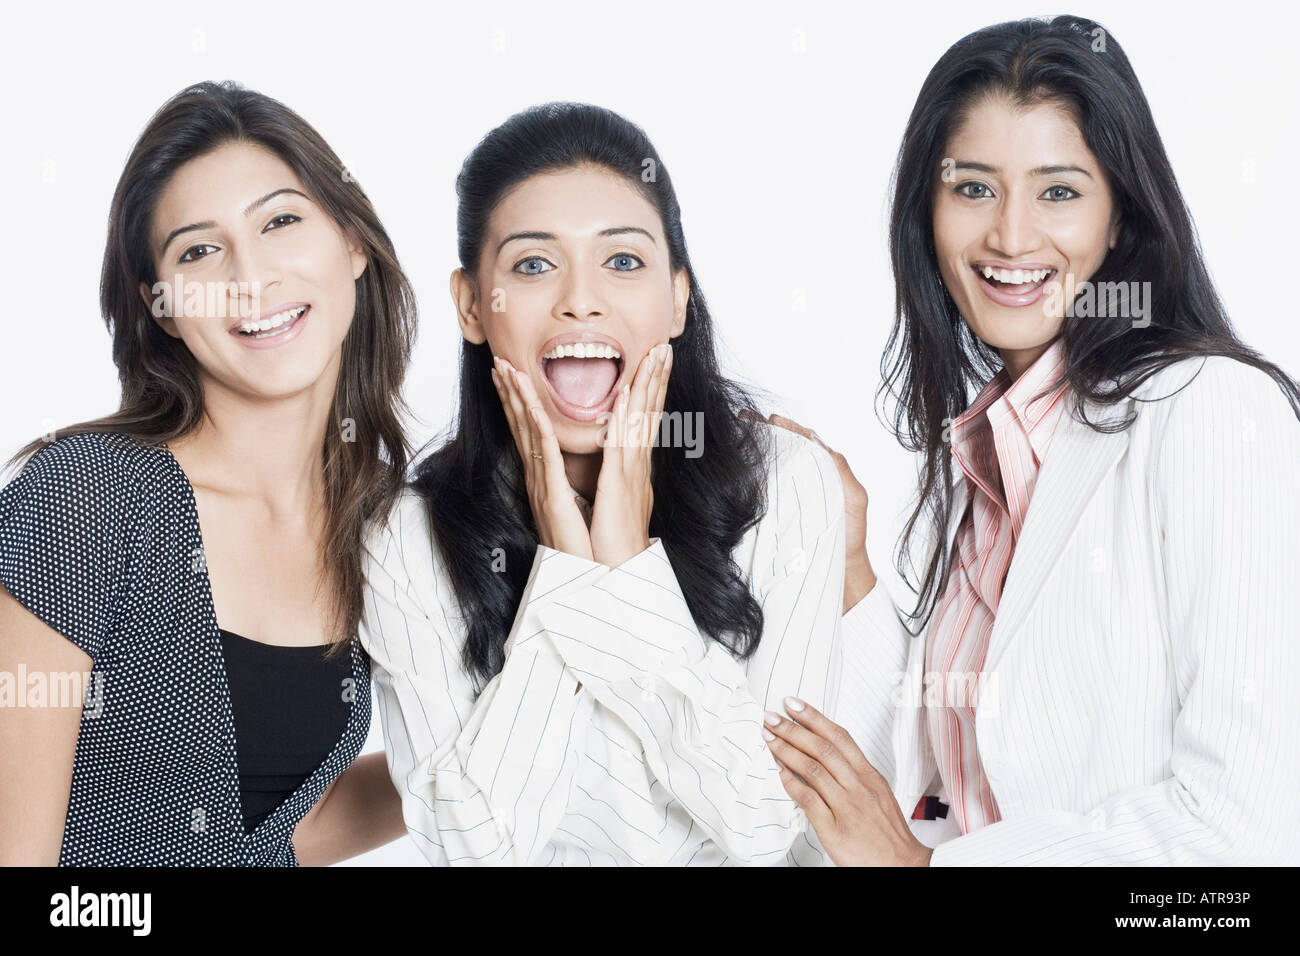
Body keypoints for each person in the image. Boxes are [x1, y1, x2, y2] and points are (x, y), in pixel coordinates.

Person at [760, 15, 1300, 865]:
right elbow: (923, 799)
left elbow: (1248, 838)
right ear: (925, 213)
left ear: (1120, 217)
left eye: (1059, 191)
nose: (1011, 237)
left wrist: (926, 869)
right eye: (973, 188)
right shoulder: (986, 456)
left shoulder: (1211, 411)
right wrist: (850, 565)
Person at [360, 102, 847, 865]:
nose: (580, 299)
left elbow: (763, 822)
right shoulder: (404, 538)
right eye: (532, 264)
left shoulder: (787, 486)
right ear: (470, 306)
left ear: (678, 298)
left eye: (622, 262)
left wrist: (627, 567)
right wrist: (571, 567)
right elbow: (472, 847)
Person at [0, 81, 411, 865]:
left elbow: (282, 825)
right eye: (199, 249)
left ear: (352, 244)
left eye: (282, 221)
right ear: (161, 305)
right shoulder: (87, 498)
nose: (250, 277)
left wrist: (486, 749)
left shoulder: (382, 525)